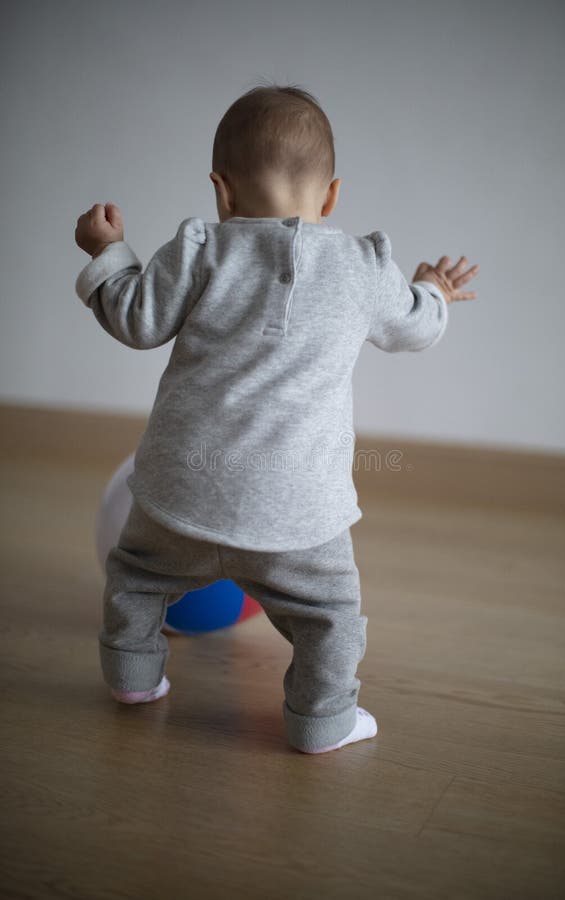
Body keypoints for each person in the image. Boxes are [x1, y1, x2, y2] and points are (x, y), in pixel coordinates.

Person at [74, 83, 479, 754]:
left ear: (221, 191)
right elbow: (414, 326)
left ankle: (133, 677)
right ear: (332, 197)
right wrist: (433, 290)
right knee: (329, 615)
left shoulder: (199, 248)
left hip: (181, 490)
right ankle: (322, 720)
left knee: (137, 575)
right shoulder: (362, 265)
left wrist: (107, 252)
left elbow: (136, 318)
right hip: (298, 510)